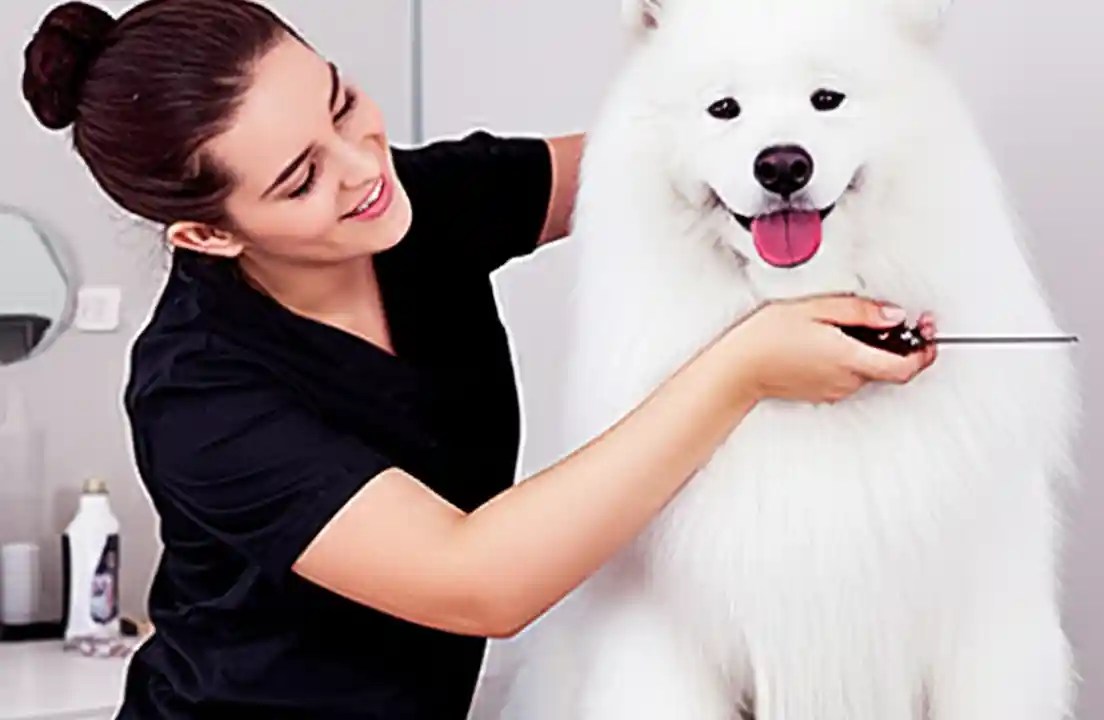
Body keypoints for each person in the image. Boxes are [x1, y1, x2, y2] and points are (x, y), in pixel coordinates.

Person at [21, 0, 938, 717]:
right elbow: (478, 582)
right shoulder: (203, 395)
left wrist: (792, 100)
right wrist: (743, 370)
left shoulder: (415, 205)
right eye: (301, 178)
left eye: (341, 101)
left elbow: (655, 157)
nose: (361, 165)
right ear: (207, 233)